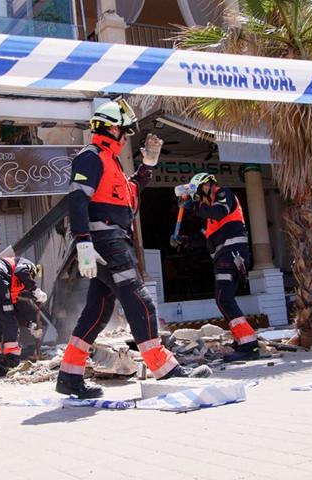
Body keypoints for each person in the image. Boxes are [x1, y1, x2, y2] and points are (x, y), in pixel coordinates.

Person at [57, 99, 211, 399]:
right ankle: (164, 368)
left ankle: (69, 376)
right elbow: (77, 199)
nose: (126, 137)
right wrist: (83, 242)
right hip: (106, 241)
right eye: (124, 131)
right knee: (140, 301)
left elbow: (130, 194)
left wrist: (148, 166)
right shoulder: (91, 157)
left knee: (97, 311)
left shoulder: (111, 162)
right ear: (110, 129)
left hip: (112, 240)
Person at [174, 173, 260, 362]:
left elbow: (219, 212)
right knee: (225, 299)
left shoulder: (223, 194)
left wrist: (192, 206)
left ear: (206, 186)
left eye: (199, 195)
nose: (200, 200)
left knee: (223, 299)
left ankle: (249, 345)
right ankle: (242, 340)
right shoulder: (211, 215)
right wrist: (184, 241)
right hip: (226, 257)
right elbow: (204, 236)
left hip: (232, 254)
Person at [0, 256, 47, 378]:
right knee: (10, 323)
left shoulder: (11, 284)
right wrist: (35, 290)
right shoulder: (26, 264)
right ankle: (11, 364)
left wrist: (29, 325)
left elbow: (14, 309)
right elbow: (21, 271)